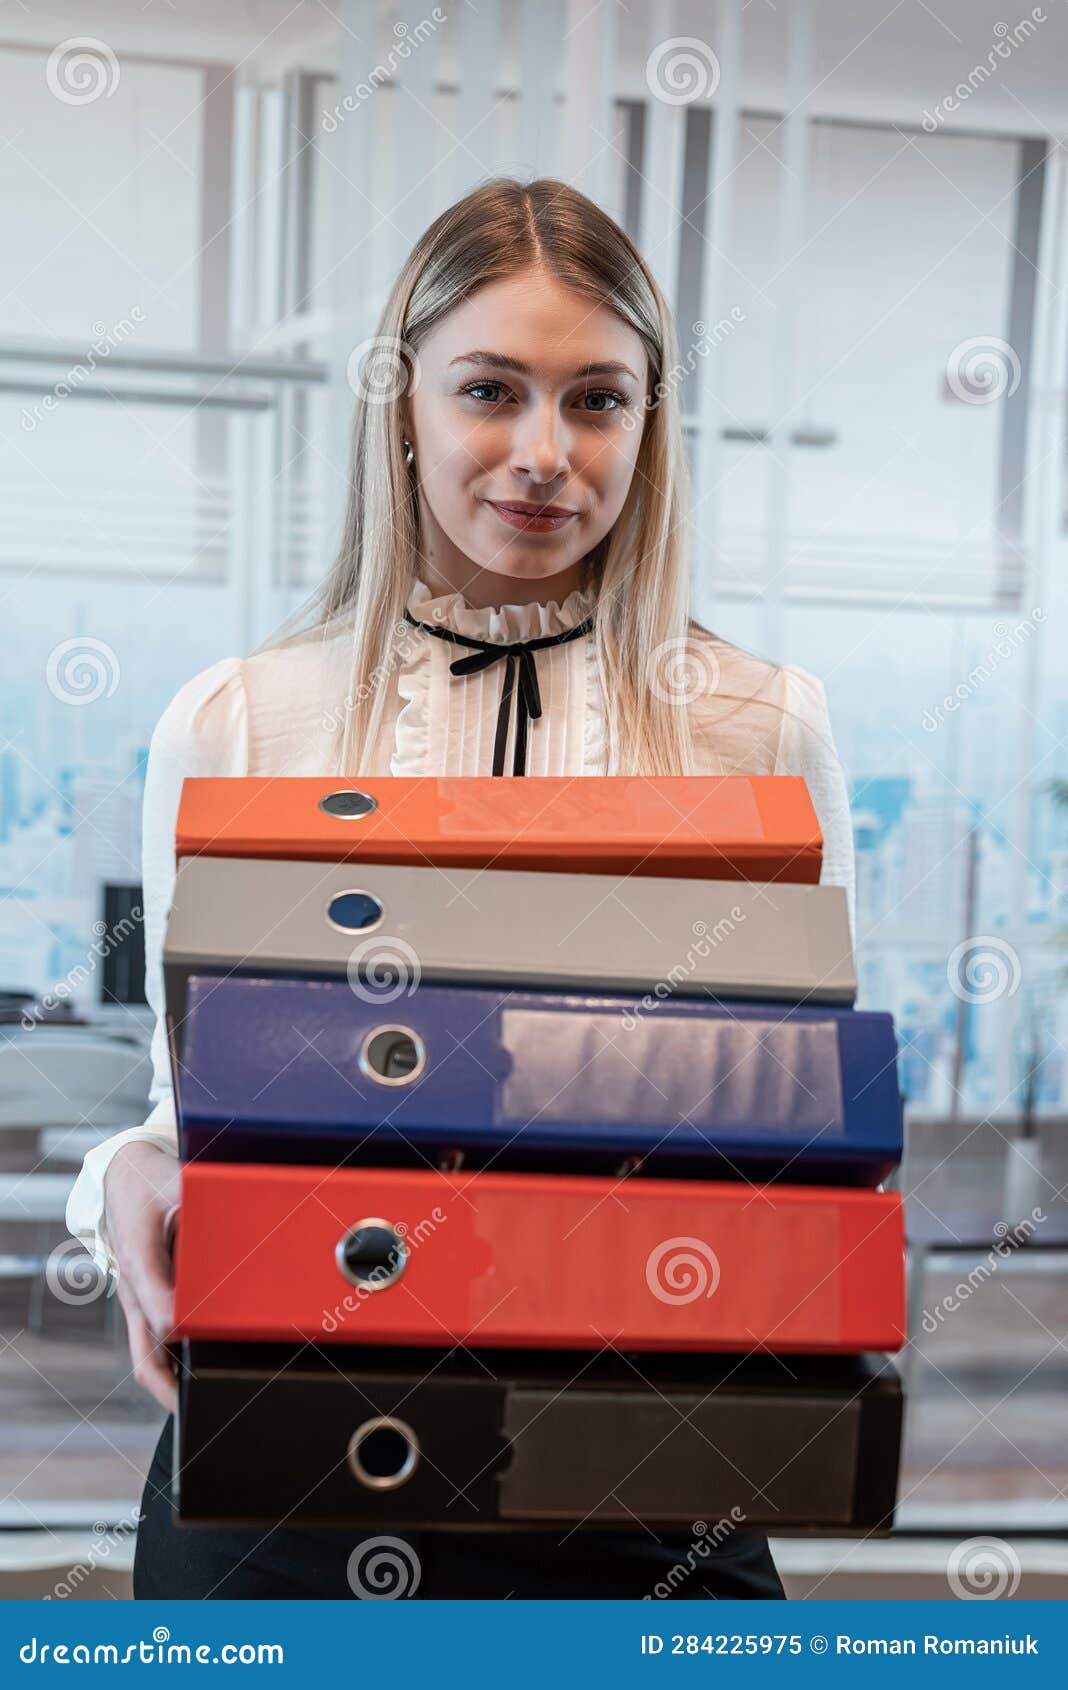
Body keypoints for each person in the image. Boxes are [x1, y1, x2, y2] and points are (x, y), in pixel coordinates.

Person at [66, 176, 855, 1600]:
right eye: (491, 389)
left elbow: (806, 1106)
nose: (545, 453)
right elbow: (192, 1115)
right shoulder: (240, 719)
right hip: (286, 1451)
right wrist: (123, 1177)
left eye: (598, 400)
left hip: (652, 1454)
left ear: (649, 422)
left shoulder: (761, 722)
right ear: (405, 404)